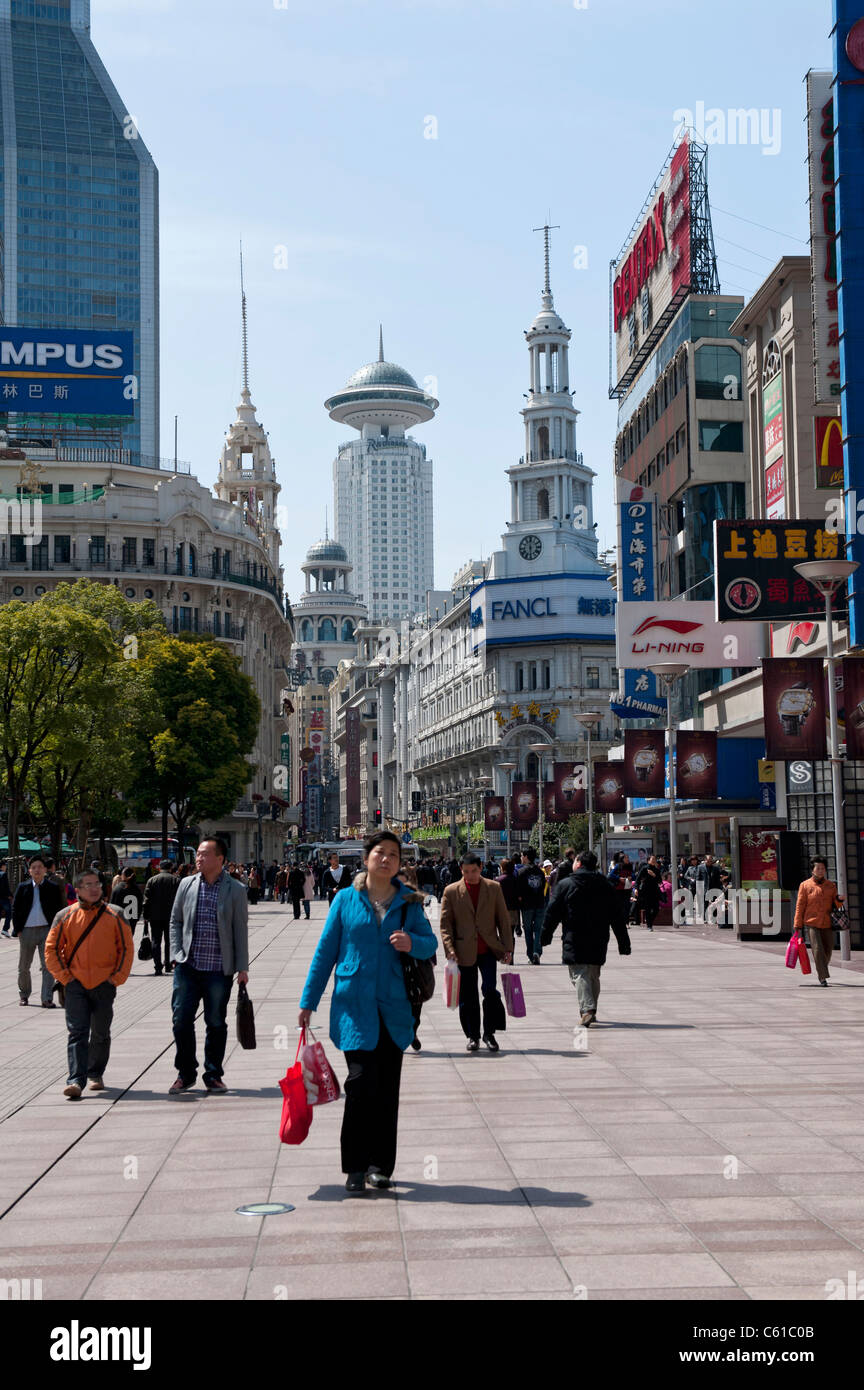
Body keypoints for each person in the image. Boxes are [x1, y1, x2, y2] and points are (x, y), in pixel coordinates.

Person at [298, 830, 437, 1193]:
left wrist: (412, 943)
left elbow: (430, 944)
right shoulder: (345, 899)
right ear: (366, 857)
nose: (387, 859)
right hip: (353, 1006)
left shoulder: (409, 902)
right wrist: (308, 1002)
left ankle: (380, 1166)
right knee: (359, 1084)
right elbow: (325, 952)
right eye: (381, 852)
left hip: (394, 1007)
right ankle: (355, 1166)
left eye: (394, 854)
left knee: (387, 1088)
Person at [168, 836, 250, 1092]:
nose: (199, 858)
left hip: (218, 968)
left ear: (221, 859)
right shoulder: (186, 884)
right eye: (198, 854)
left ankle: (213, 1073)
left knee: (215, 1022)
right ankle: (186, 1072)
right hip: (188, 966)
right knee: (181, 1020)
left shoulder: (235, 890)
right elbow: (175, 921)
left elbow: (240, 930)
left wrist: (242, 967)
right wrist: (176, 952)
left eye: (205, 854)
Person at [44, 869, 134, 1098]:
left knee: (101, 1032)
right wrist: (65, 978)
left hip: (105, 983)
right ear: (77, 889)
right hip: (75, 984)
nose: (94, 888)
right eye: (87, 884)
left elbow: (126, 948)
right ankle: (75, 1080)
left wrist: (117, 978)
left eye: (97, 883)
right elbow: (51, 949)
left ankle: (95, 1073)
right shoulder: (64, 916)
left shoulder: (115, 914)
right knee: (77, 1032)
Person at [542, 849, 631, 1026]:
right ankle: (591, 1010)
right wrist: (623, 942)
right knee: (593, 973)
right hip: (599, 936)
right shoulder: (605, 885)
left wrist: (545, 935)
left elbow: (552, 913)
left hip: (575, 936)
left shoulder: (566, 885)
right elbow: (617, 915)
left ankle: (588, 1008)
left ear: (579, 864)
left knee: (579, 973)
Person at [440, 852, 513, 1053]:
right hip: (463, 952)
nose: (470, 875)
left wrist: (508, 947)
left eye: (473, 871)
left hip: (488, 949)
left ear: (480, 868)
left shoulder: (493, 888)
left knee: (490, 991)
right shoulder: (451, 891)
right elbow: (446, 925)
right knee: (468, 995)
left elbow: (503, 920)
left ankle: (489, 1033)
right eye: (466, 872)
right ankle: (472, 1036)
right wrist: (450, 950)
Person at [11, 856, 66, 1007]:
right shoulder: (23, 887)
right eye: (34, 867)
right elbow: (15, 909)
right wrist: (18, 929)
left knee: (48, 966)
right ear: (29, 871)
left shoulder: (52, 887)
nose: (37, 870)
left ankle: (46, 998)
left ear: (45, 869)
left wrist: (57, 930)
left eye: (40, 867)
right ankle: (24, 995)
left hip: (46, 931)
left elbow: (60, 909)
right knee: (24, 967)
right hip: (27, 931)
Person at [794, 857, 842, 986]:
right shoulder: (805, 885)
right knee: (817, 949)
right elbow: (800, 905)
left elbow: (836, 905)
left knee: (828, 949)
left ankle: (821, 967)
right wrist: (797, 924)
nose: (821, 871)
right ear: (812, 870)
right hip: (812, 923)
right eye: (818, 868)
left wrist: (840, 900)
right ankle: (823, 977)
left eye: (823, 868)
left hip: (827, 922)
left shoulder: (831, 885)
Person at [142, 859, 180, 976]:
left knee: (156, 941)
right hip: (171, 916)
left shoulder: (152, 880)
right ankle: (168, 964)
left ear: (159, 868)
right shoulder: (176, 880)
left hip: (155, 916)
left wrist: (146, 916)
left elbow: (146, 900)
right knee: (169, 941)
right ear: (170, 868)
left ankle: (158, 967)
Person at [515, 847, 548, 964]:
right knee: (538, 929)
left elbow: (517, 890)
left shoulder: (521, 872)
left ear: (526, 857)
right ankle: (536, 952)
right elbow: (543, 886)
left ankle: (531, 955)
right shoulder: (540, 871)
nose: (521, 857)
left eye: (522, 855)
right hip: (539, 903)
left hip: (527, 905)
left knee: (528, 930)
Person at [496, 858, 522, 944]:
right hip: (513, 911)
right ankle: (511, 954)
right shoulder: (516, 880)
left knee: (502, 934)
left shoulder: (498, 881)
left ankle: (504, 954)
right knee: (511, 934)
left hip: (501, 911)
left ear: (502, 868)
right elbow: (519, 896)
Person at [634, 855, 662, 931]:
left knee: (656, 909)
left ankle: (649, 921)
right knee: (648, 909)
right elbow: (638, 879)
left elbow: (660, 881)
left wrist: (654, 875)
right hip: (646, 891)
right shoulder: (644, 869)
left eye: (654, 859)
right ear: (648, 860)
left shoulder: (657, 870)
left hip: (655, 891)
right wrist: (636, 889)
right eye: (652, 859)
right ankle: (649, 925)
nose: (654, 860)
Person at [110, 867, 143, 935]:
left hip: (119, 919)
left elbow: (111, 906)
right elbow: (140, 905)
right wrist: (137, 918)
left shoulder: (117, 888)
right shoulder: (137, 889)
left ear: (123, 875)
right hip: (132, 920)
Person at [0, 859, 12, 936]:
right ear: (2, 866)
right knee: (9, 913)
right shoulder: (3, 874)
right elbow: (5, 887)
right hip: (4, 897)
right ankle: (5, 929)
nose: (6, 867)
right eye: (5, 866)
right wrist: (10, 895)